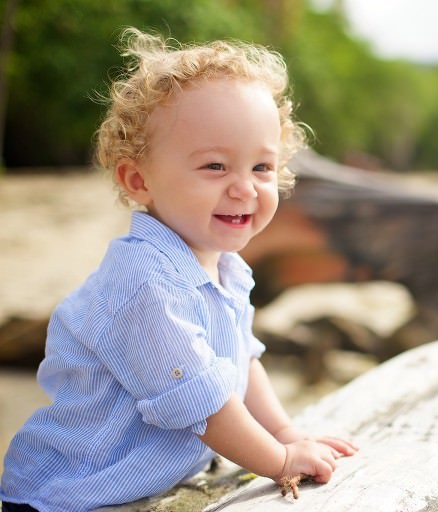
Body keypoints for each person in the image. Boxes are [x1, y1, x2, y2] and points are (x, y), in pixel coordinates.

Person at [0, 28, 357, 512]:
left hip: (136, 486)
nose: (244, 189)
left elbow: (240, 364)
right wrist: (278, 459)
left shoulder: (227, 267)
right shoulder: (146, 282)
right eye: (214, 166)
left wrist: (288, 433)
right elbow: (204, 405)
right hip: (69, 494)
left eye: (262, 168)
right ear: (138, 178)